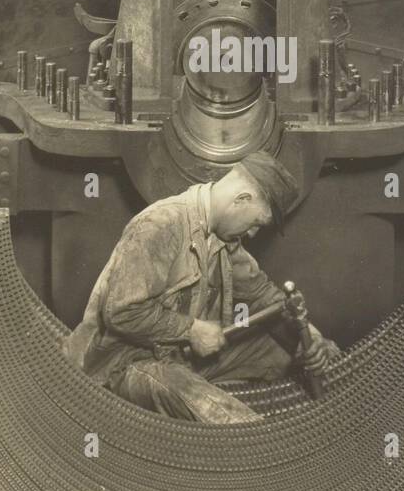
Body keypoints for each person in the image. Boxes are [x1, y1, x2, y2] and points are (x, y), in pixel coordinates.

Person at [65, 149, 341, 424]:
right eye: (257, 222)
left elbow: (263, 296)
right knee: (220, 414)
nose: (254, 233)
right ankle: (257, 443)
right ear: (242, 199)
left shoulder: (224, 239)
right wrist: (191, 330)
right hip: (126, 365)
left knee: (292, 352)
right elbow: (122, 313)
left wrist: (309, 340)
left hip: (181, 357)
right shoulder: (160, 225)